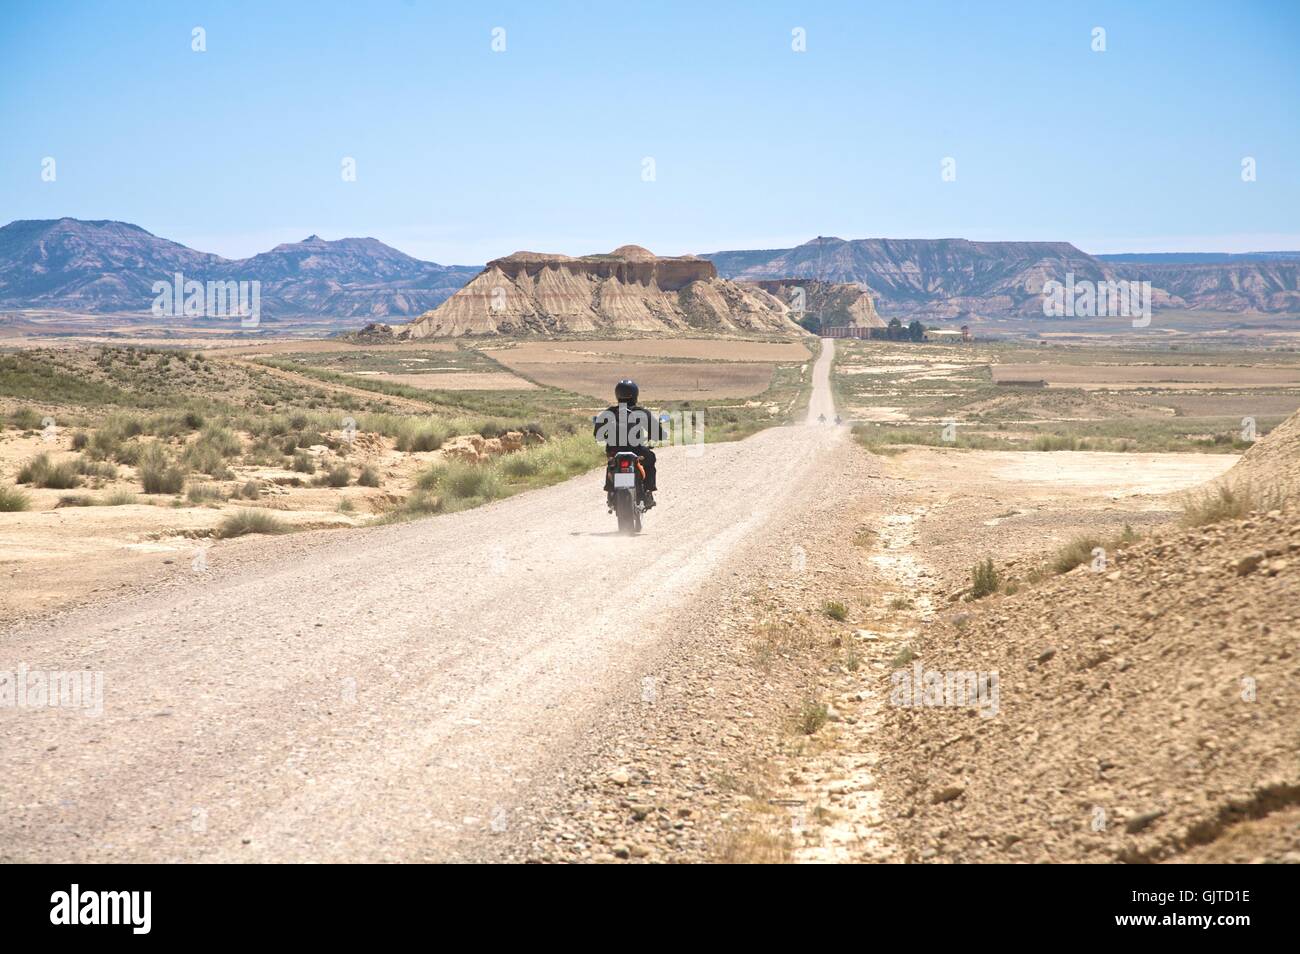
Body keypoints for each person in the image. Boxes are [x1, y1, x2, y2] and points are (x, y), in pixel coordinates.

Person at [593, 379, 658, 509]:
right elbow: (657, 432)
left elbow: (597, 434)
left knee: (612, 464)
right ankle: (648, 491)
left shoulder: (609, 413)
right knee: (650, 459)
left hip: (614, 451)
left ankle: (611, 491)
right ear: (635, 394)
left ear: (617, 394)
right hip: (637, 451)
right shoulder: (641, 412)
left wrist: (608, 437)